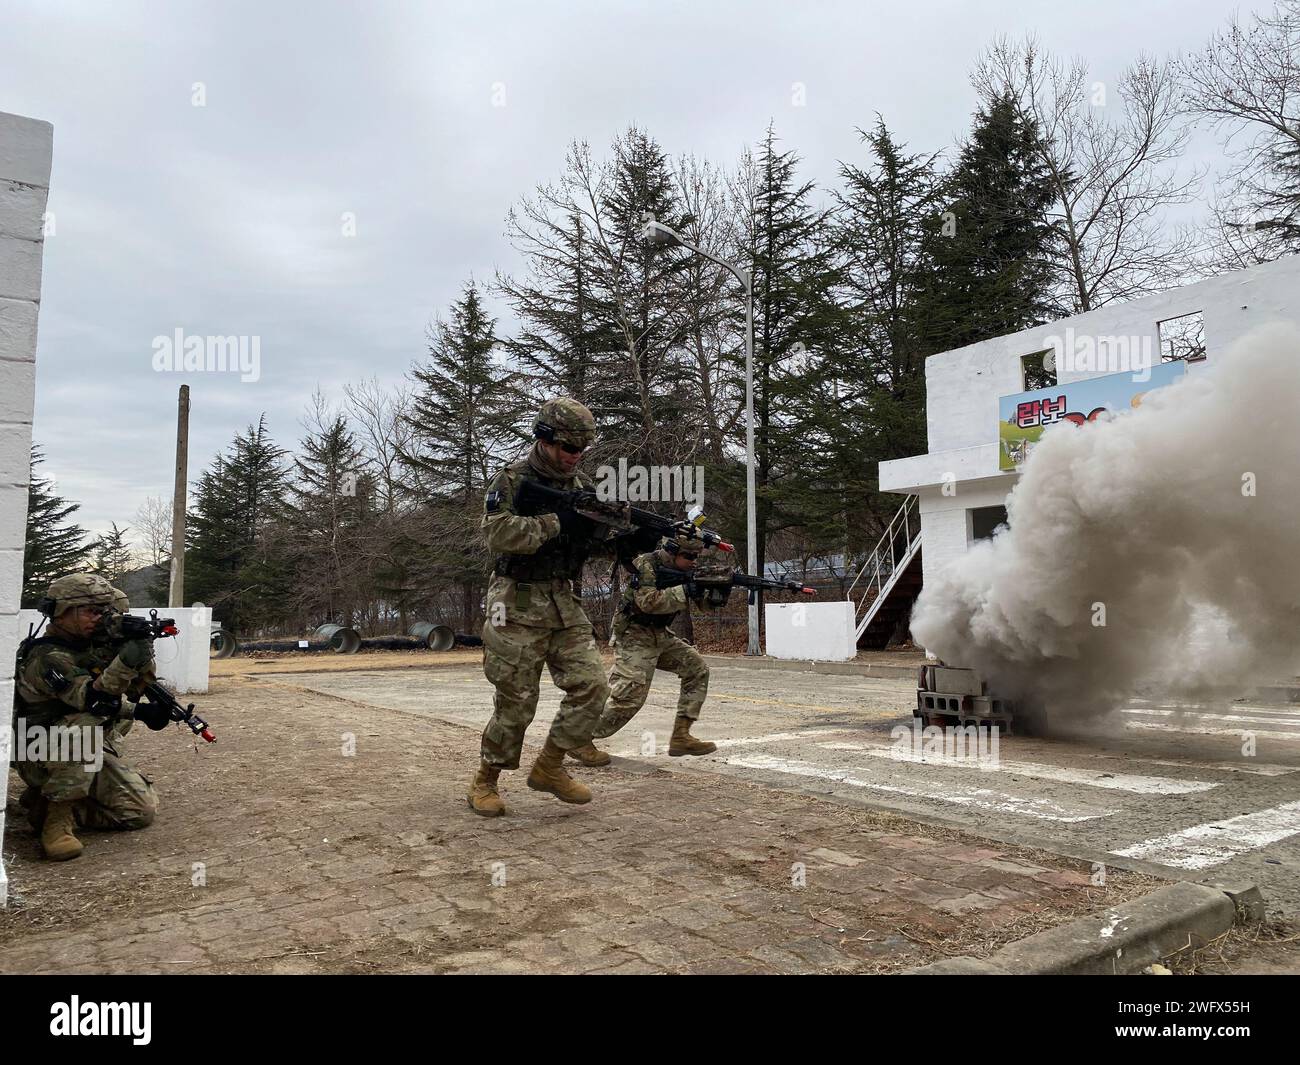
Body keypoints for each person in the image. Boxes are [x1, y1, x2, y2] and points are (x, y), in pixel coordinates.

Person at [467, 397, 615, 816]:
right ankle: (485, 780)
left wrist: (622, 539)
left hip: (563, 603)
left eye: (581, 451)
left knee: (593, 686)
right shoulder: (511, 481)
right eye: (569, 449)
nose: (575, 457)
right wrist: (556, 522)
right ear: (545, 439)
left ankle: (549, 767)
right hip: (515, 602)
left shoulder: (582, 487)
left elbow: (594, 543)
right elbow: (498, 535)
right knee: (516, 702)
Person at [13, 573, 160, 860]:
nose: (100, 618)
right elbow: (94, 700)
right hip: (35, 748)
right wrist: (125, 663)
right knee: (88, 725)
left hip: (73, 746)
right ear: (62, 612)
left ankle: (43, 800)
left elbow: (126, 693)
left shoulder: (89, 647)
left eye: (105, 611)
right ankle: (56, 823)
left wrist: (136, 657)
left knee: (139, 812)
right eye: (92, 611)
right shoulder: (47, 657)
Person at [568, 532, 724, 766]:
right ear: (671, 551)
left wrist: (716, 594)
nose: (693, 560)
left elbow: (704, 606)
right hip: (634, 635)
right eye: (688, 555)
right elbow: (647, 602)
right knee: (629, 697)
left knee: (697, 669)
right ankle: (577, 739)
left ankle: (681, 736)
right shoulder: (647, 564)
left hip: (660, 634)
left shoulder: (686, 571)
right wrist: (685, 590)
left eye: (696, 556)